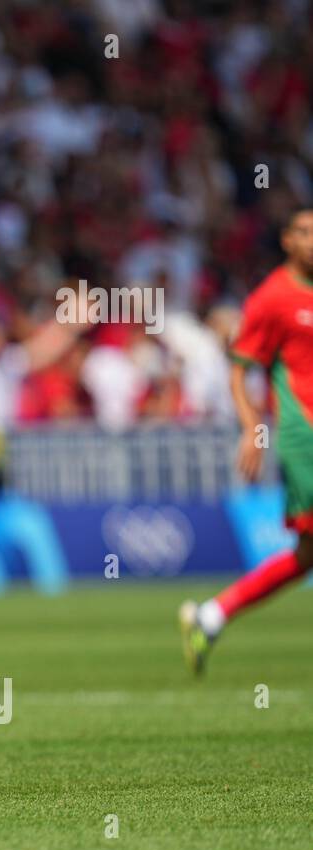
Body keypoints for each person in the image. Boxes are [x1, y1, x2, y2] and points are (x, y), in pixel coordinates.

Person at [180, 209, 313, 672]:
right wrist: (253, 429)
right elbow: (241, 369)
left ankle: (212, 614)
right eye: (304, 231)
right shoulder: (273, 298)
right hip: (304, 438)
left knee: (306, 557)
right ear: (286, 241)